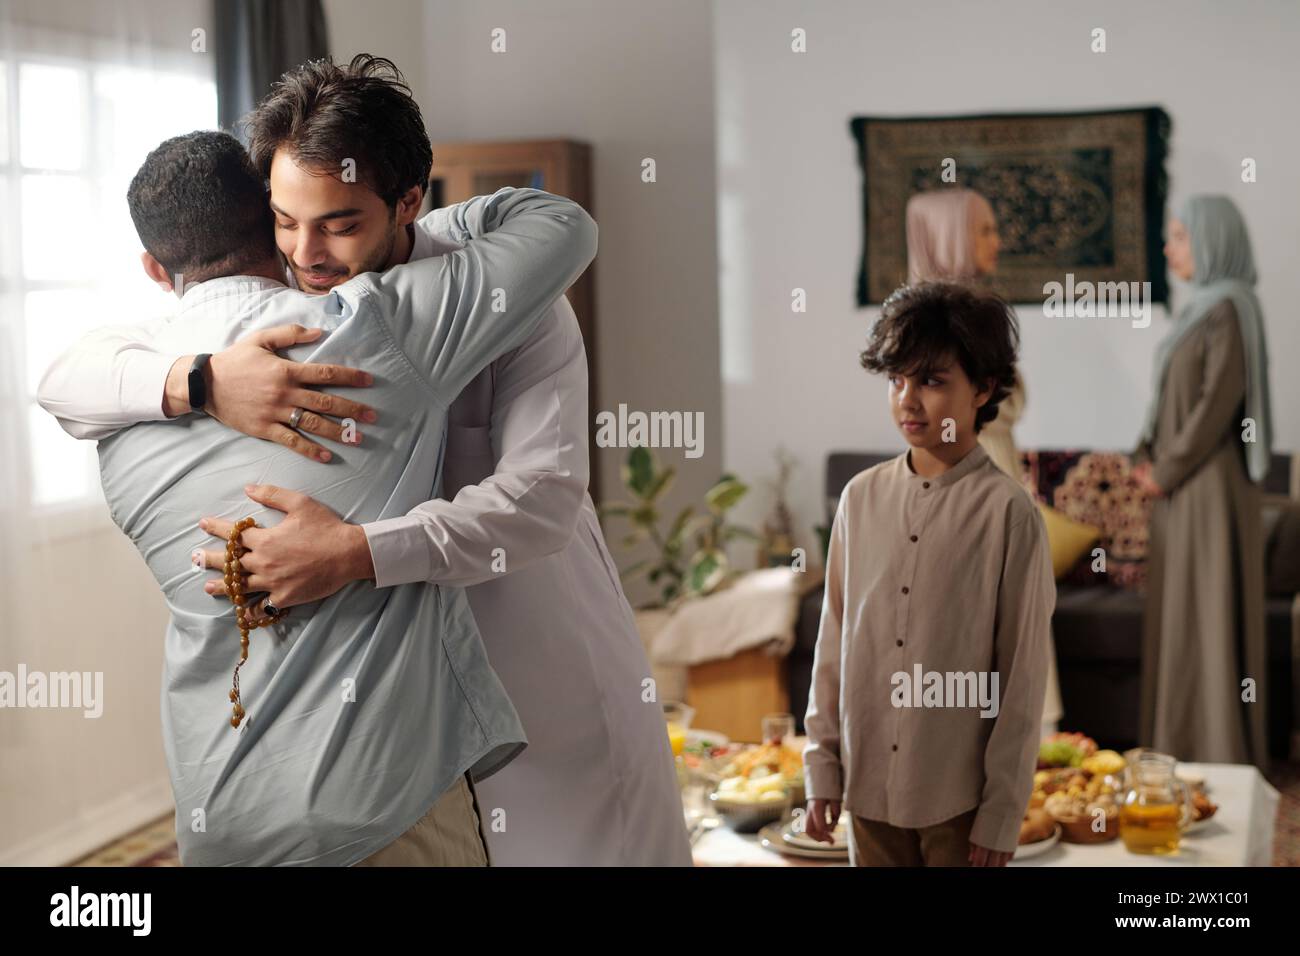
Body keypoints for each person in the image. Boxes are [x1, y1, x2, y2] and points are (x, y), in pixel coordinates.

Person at [37, 55, 692, 866]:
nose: (304, 255)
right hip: (398, 704)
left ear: (409, 200)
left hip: (535, 654)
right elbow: (67, 375)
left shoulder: (508, 300)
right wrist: (203, 382)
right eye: (283, 219)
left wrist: (355, 553)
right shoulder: (285, 320)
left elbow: (541, 501)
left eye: (339, 223)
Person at [802, 282, 1054, 866]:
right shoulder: (859, 500)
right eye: (897, 380)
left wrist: (1001, 813)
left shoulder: (1010, 515)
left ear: (984, 388)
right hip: (866, 797)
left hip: (958, 807)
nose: (907, 401)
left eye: (932, 381)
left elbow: (1021, 679)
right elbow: (832, 645)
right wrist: (822, 765)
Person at [905, 187, 1062, 737]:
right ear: (950, 235)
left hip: (990, 463)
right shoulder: (938, 323)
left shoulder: (973, 313)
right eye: (985, 229)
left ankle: (1014, 750)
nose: (998, 241)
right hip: (966, 468)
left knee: (1006, 603)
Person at [1132, 195, 1273, 769]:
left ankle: (1217, 754)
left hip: (1208, 489)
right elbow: (1170, 402)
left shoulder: (1229, 309)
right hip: (1181, 488)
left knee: (1207, 612)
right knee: (1183, 614)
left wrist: (1164, 470)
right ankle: (1178, 751)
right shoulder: (1200, 309)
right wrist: (1146, 456)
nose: (1169, 248)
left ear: (1213, 239)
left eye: (1181, 236)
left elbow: (1217, 405)